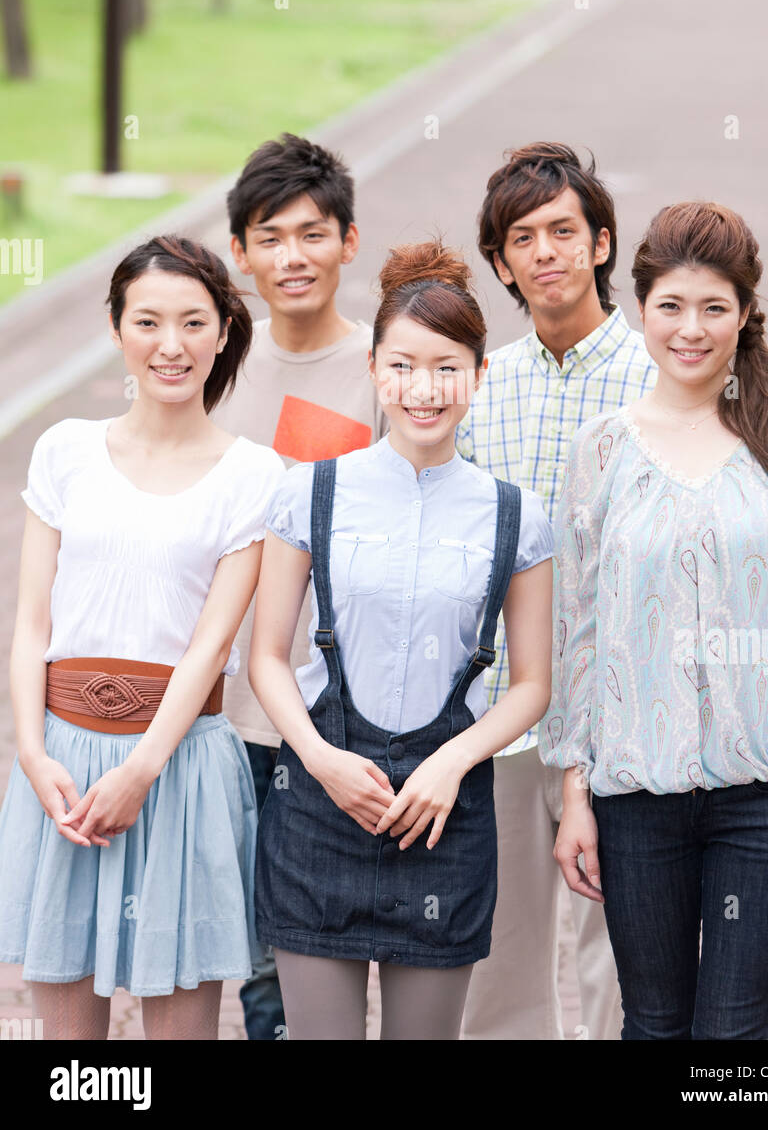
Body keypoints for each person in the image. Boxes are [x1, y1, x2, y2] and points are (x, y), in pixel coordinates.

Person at [541, 201, 768, 1040]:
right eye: (672, 307)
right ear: (640, 309)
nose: (692, 330)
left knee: (732, 1032)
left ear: (746, 312)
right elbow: (579, 629)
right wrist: (575, 792)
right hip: (635, 795)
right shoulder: (602, 451)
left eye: (715, 307)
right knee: (651, 1024)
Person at [249, 239, 554, 1040]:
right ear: (376, 371)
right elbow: (266, 659)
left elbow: (532, 685)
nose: (426, 390)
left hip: (446, 815)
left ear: (480, 374)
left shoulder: (515, 516)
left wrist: (452, 764)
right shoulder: (308, 493)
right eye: (405, 367)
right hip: (320, 804)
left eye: (448, 367)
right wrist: (319, 761)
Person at [0, 235, 285, 1040]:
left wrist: (142, 770)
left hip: (181, 764)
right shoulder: (65, 452)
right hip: (64, 764)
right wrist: (32, 753)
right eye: (149, 322)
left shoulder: (253, 474)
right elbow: (31, 627)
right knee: (73, 1062)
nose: (171, 345)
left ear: (224, 332)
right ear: (119, 329)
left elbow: (209, 646)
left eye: (194, 323)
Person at [456, 142, 656, 1041]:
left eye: (564, 232)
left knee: (621, 953)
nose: (546, 253)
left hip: (621, 718)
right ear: (500, 263)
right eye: (522, 239)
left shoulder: (662, 378)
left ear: (601, 242)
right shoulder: (480, 386)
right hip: (497, 714)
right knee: (498, 963)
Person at [217, 131, 387, 1040]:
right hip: (230, 719)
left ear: (348, 243)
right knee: (258, 977)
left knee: (346, 953)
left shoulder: (384, 373)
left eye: (313, 234)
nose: (293, 257)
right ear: (240, 254)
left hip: (345, 718)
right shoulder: (207, 366)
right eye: (270, 237)